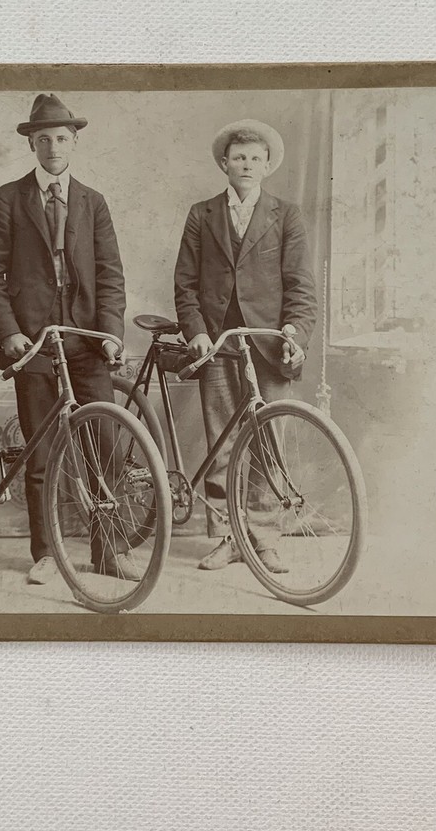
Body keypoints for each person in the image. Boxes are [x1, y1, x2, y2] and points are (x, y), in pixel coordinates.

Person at [0, 93, 140, 585]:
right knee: (42, 454)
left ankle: (107, 551)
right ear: (31, 144)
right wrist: (9, 335)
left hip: (87, 344)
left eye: (61, 138)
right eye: (42, 138)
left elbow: (111, 276)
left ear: (75, 142)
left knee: (105, 450)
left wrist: (110, 334)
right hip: (34, 345)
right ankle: (46, 553)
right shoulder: (10, 197)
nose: (52, 147)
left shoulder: (93, 202)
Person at [174, 119, 318, 571]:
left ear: (268, 165)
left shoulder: (286, 214)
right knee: (221, 442)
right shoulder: (202, 214)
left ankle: (262, 536)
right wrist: (196, 331)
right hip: (218, 344)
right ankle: (226, 536)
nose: (247, 165)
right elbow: (185, 284)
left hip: (269, 344)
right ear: (224, 163)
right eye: (239, 157)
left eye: (256, 158)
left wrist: (295, 332)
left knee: (268, 442)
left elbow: (300, 285)